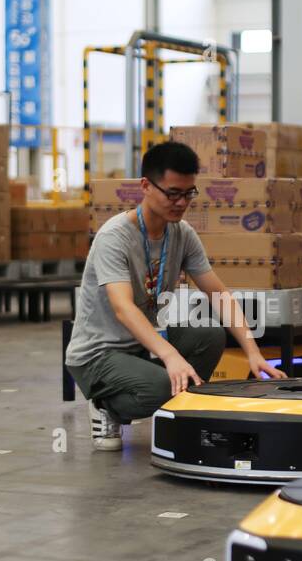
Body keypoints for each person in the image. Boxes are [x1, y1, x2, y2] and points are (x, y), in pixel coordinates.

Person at [66, 140, 286, 450]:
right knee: (161, 388)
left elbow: (218, 293)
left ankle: (178, 404)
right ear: (146, 186)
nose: (181, 203)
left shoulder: (181, 234)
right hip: (97, 354)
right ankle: (106, 406)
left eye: (188, 193)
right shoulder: (114, 237)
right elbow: (122, 308)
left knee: (208, 335)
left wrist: (252, 350)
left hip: (138, 347)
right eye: (173, 193)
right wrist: (170, 357)